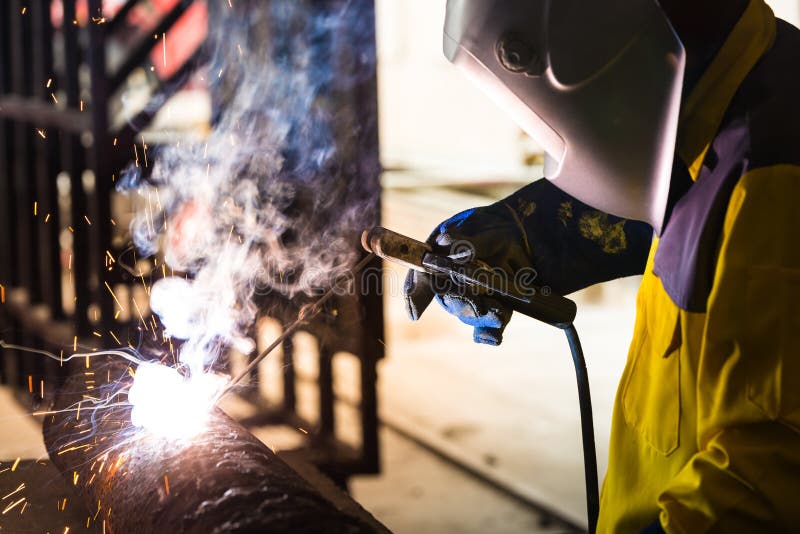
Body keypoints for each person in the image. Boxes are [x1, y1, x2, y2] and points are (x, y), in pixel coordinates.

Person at [404, 0, 800, 531]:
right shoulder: (717, 109)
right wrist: (525, 234)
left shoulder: (771, 176)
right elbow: (663, 216)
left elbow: (764, 484)